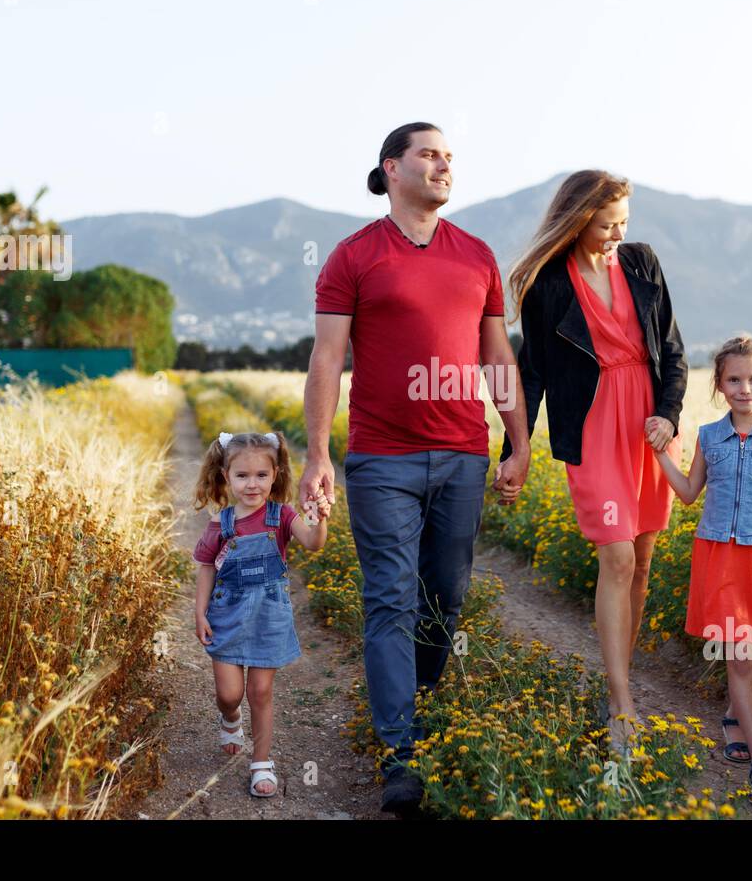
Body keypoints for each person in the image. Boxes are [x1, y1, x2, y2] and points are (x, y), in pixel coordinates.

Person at [300, 122, 531, 816]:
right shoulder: (353, 256)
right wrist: (317, 453)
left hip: (462, 455)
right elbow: (326, 360)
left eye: (450, 157)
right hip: (382, 460)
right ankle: (402, 751)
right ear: (391, 169)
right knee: (390, 599)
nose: (443, 165)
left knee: (445, 599)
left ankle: (421, 707)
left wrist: (517, 441)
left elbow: (498, 358)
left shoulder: (478, 255)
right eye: (429, 154)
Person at [499, 170, 687, 756]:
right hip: (593, 424)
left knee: (644, 559)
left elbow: (673, 351)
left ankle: (618, 681)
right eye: (607, 225)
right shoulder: (547, 284)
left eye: (623, 223)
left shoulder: (643, 263)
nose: (617, 234)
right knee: (617, 554)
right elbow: (531, 373)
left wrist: (671, 416)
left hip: (648, 425)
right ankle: (623, 701)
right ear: (577, 219)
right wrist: (517, 448)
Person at [655, 334, 752, 809]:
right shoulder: (708, 436)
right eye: (733, 380)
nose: (745, 388)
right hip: (716, 554)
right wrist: (659, 453)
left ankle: (734, 720)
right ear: (719, 386)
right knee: (739, 658)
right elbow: (688, 492)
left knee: (747, 656)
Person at [192, 430, 331, 798]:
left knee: (261, 689)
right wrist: (200, 613)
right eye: (242, 476)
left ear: (275, 475)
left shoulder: (283, 516)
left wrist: (317, 510)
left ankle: (261, 762)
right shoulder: (220, 524)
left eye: (261, 476)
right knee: (229, 693)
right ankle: (230, 718)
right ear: (226, 476)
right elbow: (206, 567)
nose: (252, 484)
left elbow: (315, 543)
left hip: (268, 616)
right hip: (227, 616)